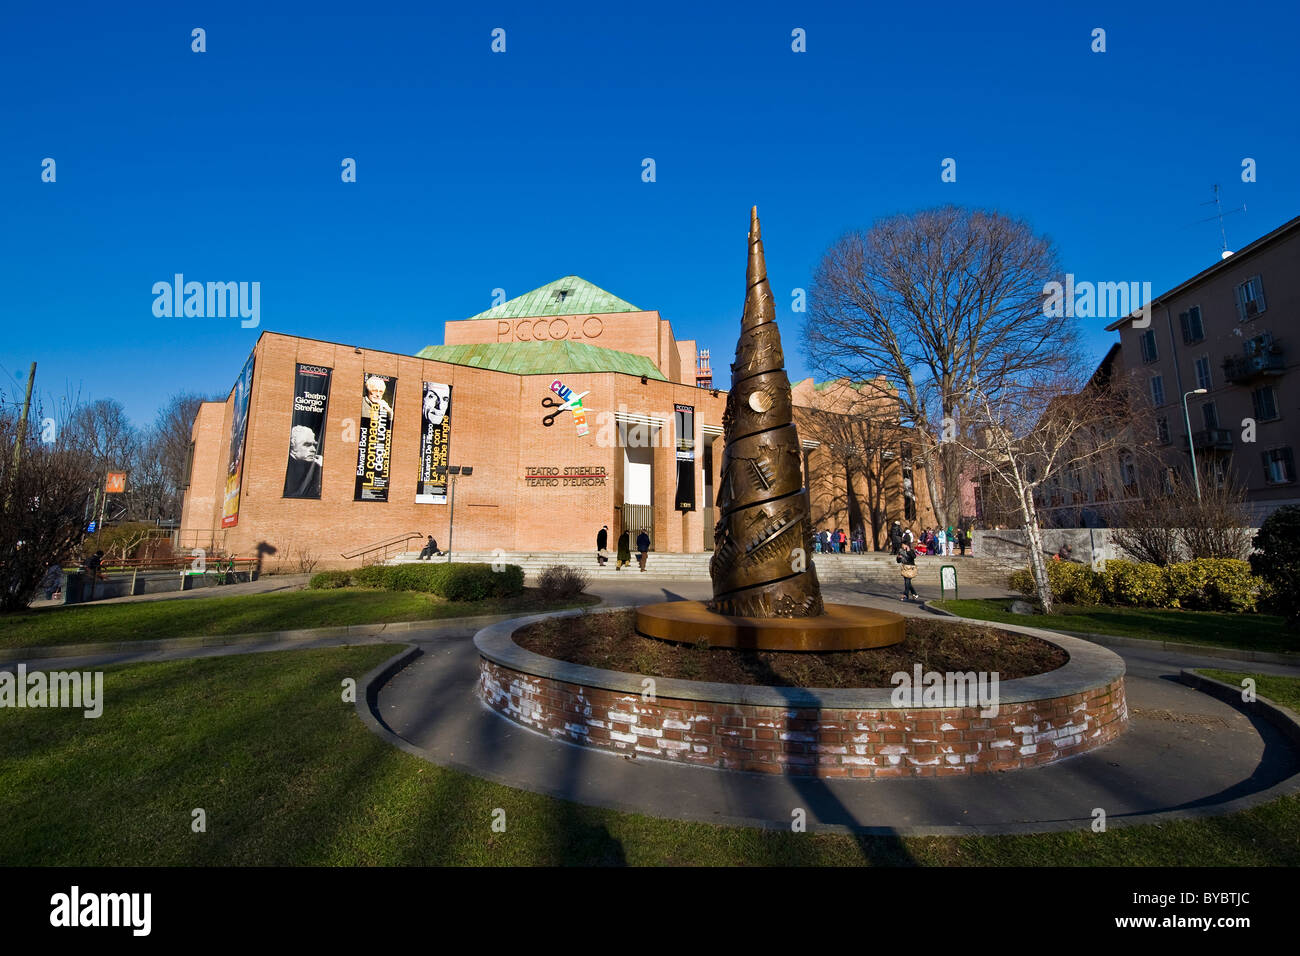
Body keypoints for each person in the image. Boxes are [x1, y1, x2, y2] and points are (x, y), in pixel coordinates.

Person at [283, 425, 324, 497]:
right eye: (307, 445)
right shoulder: (285, 466)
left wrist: (320, 468)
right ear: (292, 446)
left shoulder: (313, 465)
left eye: (313, 445)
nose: (314, 449)